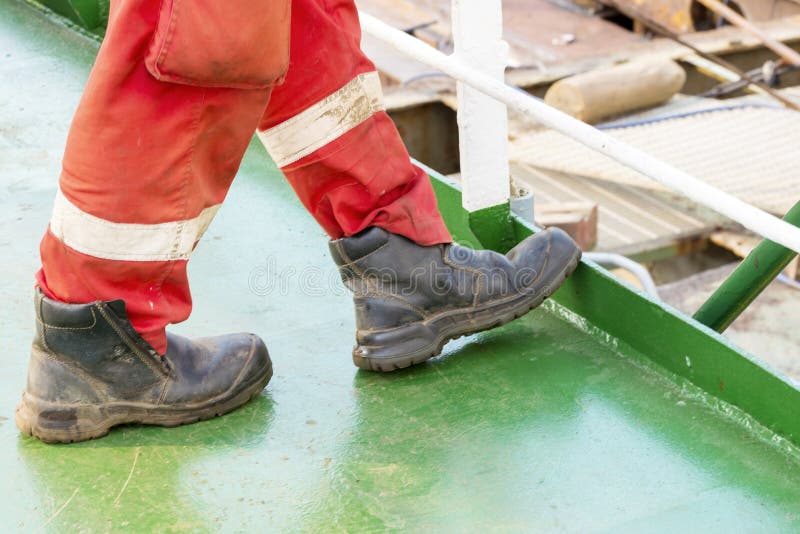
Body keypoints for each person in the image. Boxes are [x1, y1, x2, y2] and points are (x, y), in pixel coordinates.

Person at [15, 0, 581, 443]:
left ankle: (396, 258)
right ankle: (96, 338)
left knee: (298, 18)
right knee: (198, 31)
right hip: (100, 334)